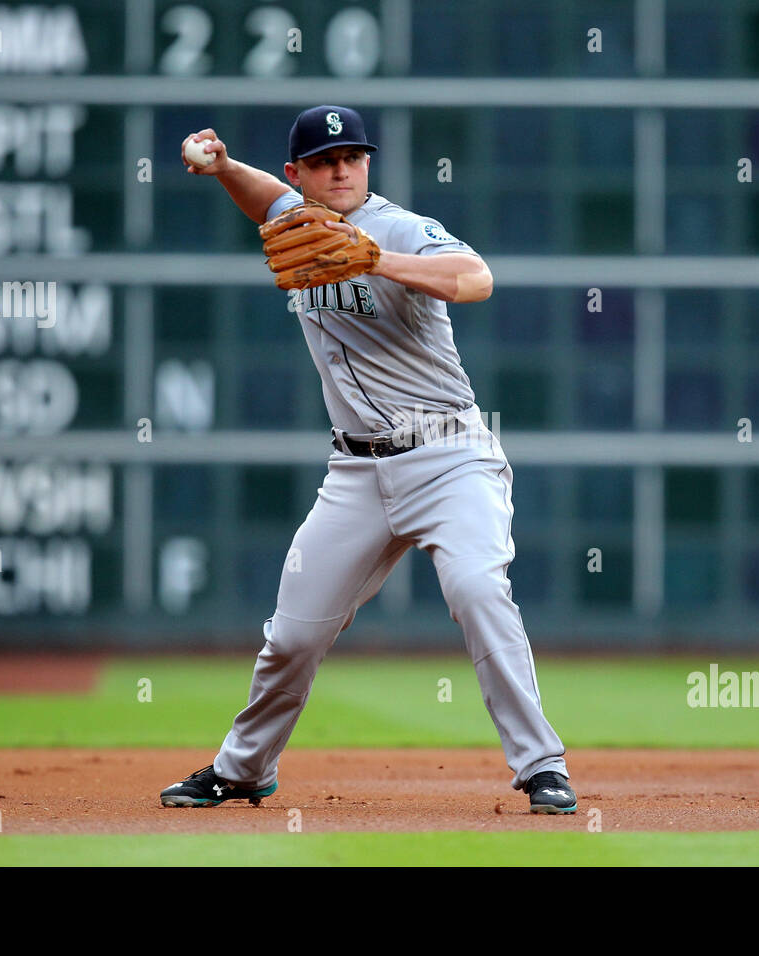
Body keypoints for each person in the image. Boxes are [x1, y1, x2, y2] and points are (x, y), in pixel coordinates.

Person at [159, 105, 575, 814]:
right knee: (291, 636)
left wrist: (379, 260)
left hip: (449, 456)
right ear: (300, 174)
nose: (342, 169)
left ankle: (543, 768)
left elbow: (476, 278)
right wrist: (224, 167)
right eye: (324, 161)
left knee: (476, 589)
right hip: (355, 472)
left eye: (352, 155)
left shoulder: (401, 228)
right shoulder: (295, 217)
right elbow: (267, 199)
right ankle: (244, 767)